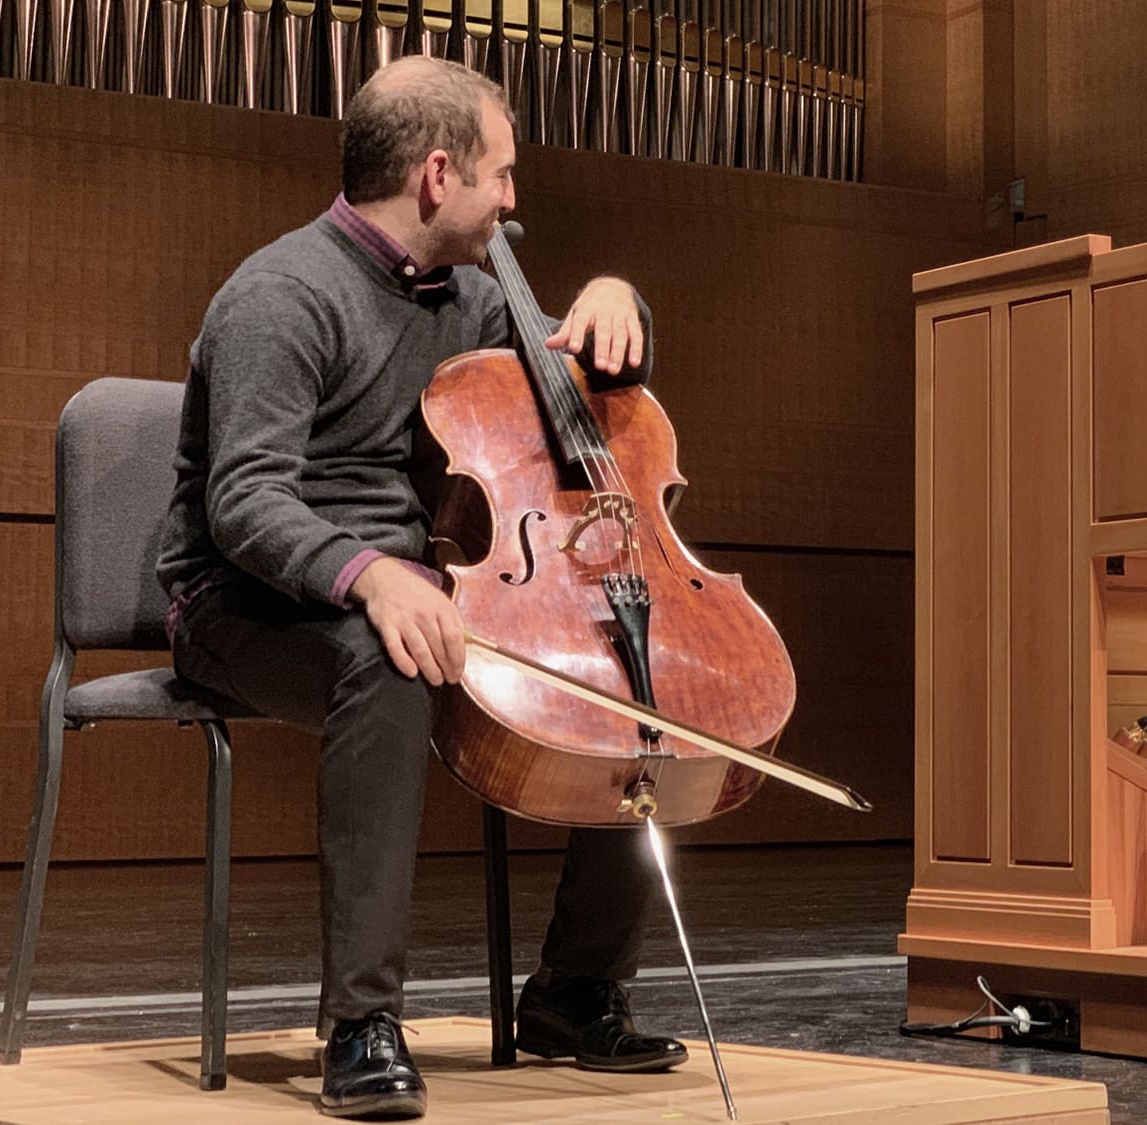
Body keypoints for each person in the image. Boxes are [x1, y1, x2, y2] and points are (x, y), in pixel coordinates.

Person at [158, 56, 684, 1119]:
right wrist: (370, 579)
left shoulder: (472, 299)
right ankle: (361, 1024)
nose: (514, 200)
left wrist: (616, 302)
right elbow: (244, 505)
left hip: (411, 585)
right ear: (438, 176)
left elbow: (580, 381)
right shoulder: (281, 295)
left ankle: (574, 996)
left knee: (628, 662)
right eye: (503, 174)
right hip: (244, 604)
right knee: (385, 663)